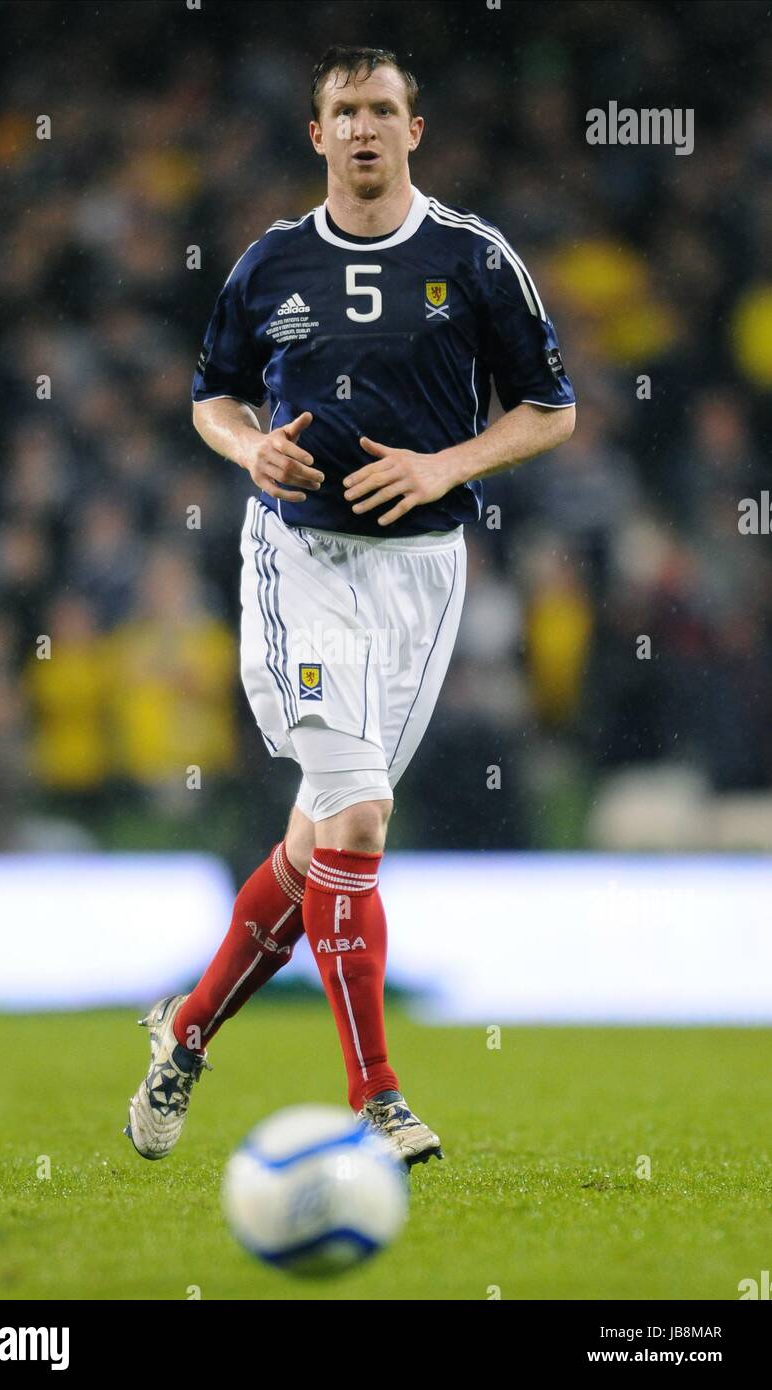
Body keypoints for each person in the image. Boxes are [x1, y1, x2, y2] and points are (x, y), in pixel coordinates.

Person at [125, 44, 576, 1167]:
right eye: (344, 112)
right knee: (361, 817)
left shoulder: (473, 258)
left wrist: (445, 466)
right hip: (299, 560)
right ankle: (374, 1093)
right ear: (316, 134)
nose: (364, 128)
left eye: (383, 110)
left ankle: (184, 1032)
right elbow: (210, 398)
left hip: (422, 574)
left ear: (412, 132)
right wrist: (248, 449)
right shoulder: (270, 262)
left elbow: (550, 409)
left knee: (317, 839)